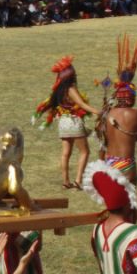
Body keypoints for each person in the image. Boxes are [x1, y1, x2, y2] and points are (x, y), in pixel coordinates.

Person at [33, 56, 100, 189]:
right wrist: (98, 112)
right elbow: (81, 104)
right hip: (73, 122)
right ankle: (78, 181)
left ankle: (65, 181)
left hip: (63, 122)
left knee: (65, 154)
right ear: (71, 76)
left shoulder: (58, 90)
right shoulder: (70, 89)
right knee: (84, 152)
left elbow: (52, 107)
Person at [97, 35, 137, 183]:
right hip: (126, 163)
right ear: (131, 98)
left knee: (111, 196)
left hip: (109, 162)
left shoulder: (107, 112)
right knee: (129, 195)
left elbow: (102, 140)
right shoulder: (136, 114)